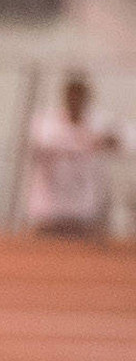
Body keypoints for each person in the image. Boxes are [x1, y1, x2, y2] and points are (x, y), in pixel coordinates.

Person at [26, 70, 120, 239]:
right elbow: (43, 142)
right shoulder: (47, 122)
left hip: (84, 213)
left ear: (87, 97)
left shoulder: (100, 122)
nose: (75, 100)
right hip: (49, 211)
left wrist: (109, 140)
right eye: (72, 95)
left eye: (80, 95)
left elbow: (124, 139)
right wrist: (88, 141)